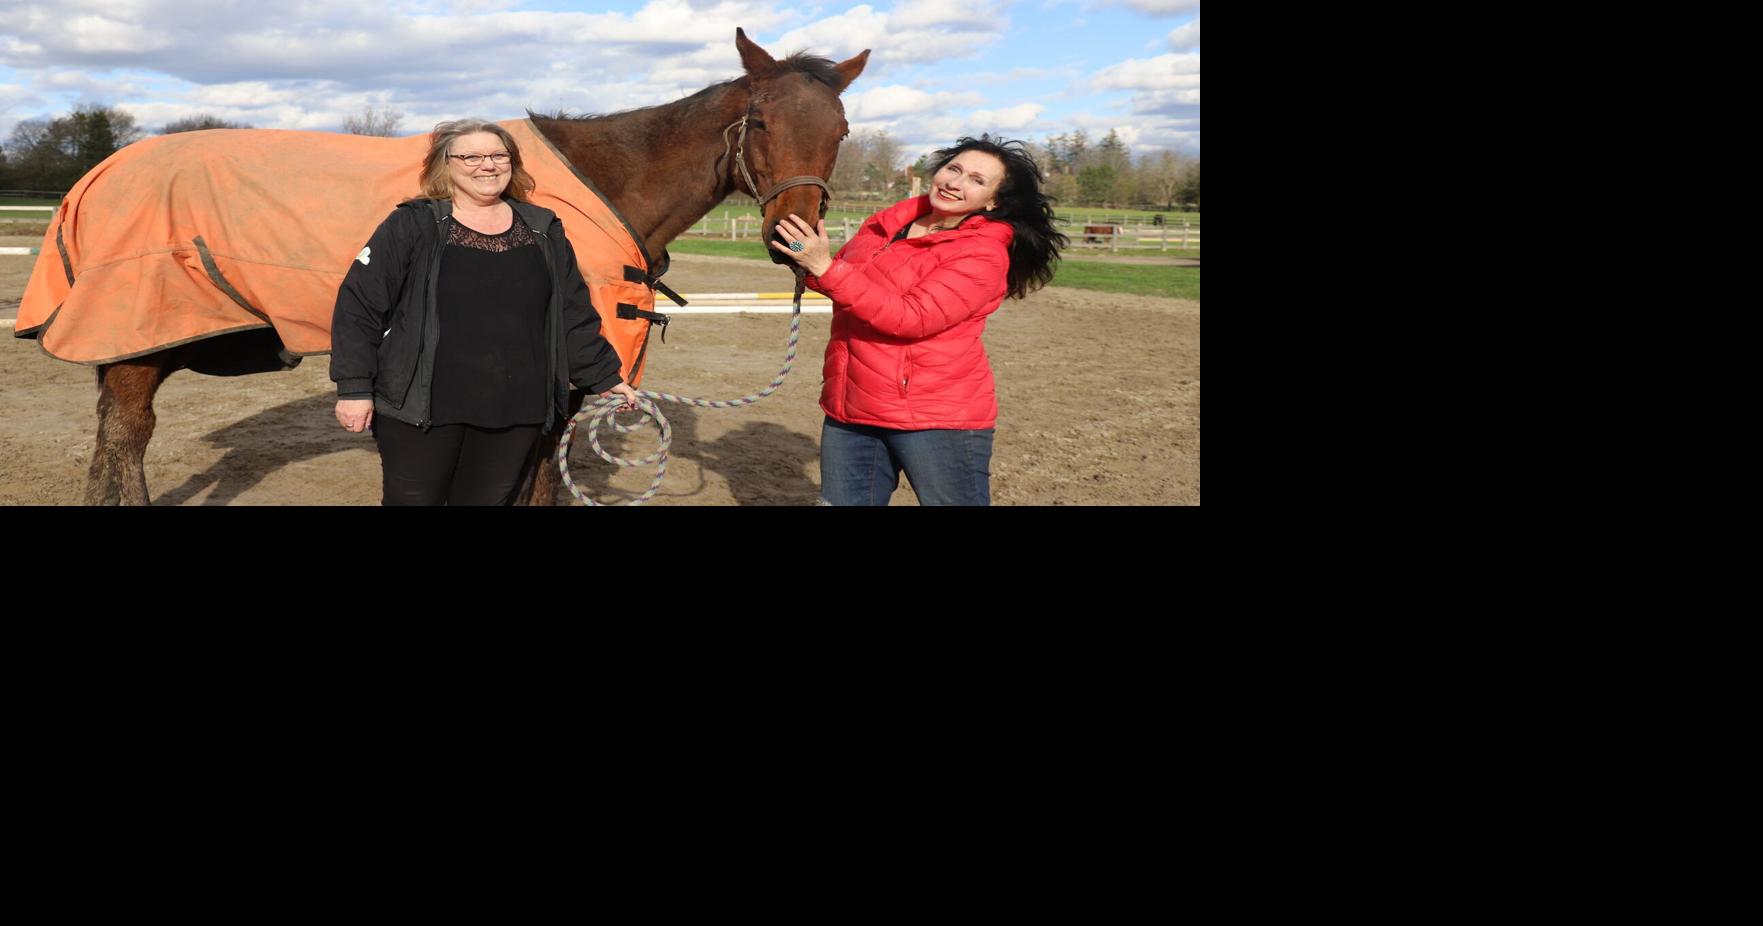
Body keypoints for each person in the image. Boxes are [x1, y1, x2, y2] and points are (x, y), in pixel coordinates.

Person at [330, 118, 640, 505]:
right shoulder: (413, 224)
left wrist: (603, 376)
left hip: (516, 406)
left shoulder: (543, 229)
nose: (487, 165)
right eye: (472, 156)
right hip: (423, 406)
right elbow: (359, 306)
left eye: (498, 155)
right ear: (447, 164)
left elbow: (571, 311)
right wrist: (355, 387)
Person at [770, 135, 1067, 506]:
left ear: (993, 201)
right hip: (852, 407)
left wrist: (825, 267)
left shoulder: (982, 254)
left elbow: (911, 317)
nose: (955, 182)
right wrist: (802, 254)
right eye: (953, 168)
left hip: (935, 417)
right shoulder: (885, 225)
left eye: (976, 180)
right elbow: (841, 279)